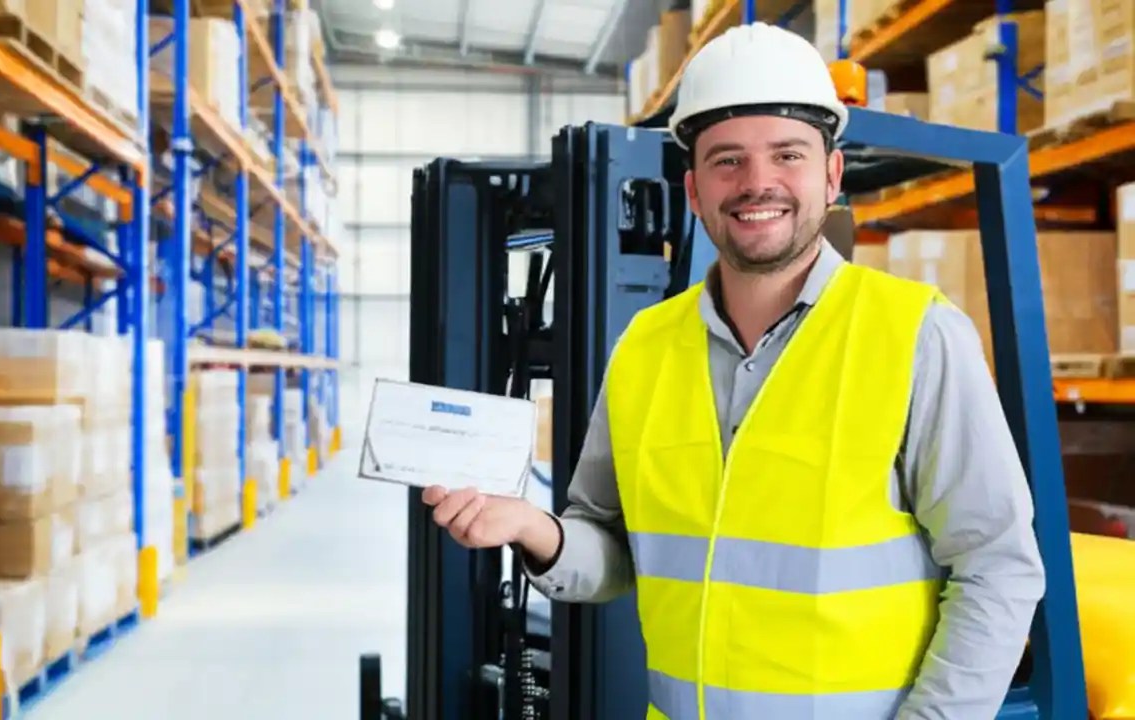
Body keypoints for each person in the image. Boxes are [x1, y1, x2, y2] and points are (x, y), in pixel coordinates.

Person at [421, 21, 1045, 720]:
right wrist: (535, 530)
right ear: (692, 190)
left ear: (831, 175)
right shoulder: (646, 346)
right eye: (728, 161)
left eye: (788, 155)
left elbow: (998, 567)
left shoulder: (917, 335)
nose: (758, 184)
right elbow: (613, 546)